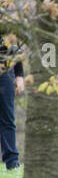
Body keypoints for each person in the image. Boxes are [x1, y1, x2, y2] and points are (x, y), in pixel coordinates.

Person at [0, 42, 25, 170]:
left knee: (7, 119)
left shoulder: (8, 22)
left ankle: (12, 162)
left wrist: (19, 75)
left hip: (6, 71)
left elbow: (15, 46)